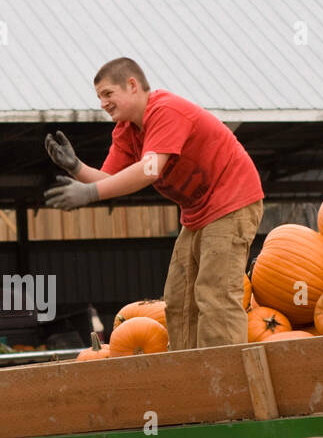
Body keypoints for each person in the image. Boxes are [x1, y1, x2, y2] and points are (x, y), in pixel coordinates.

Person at [44, 58, 264, 350]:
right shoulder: (126, 130)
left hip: (232, 200)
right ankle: (189, 372)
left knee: (215, 293)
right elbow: (112, 179)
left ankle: (223, 377)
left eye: (108, 94)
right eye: (99, 97)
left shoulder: (165, 111)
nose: (102, 103)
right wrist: (77, 168)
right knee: (178, 299)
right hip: (198, 214)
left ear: (132, 85)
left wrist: (89, 193)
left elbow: (150, 170)